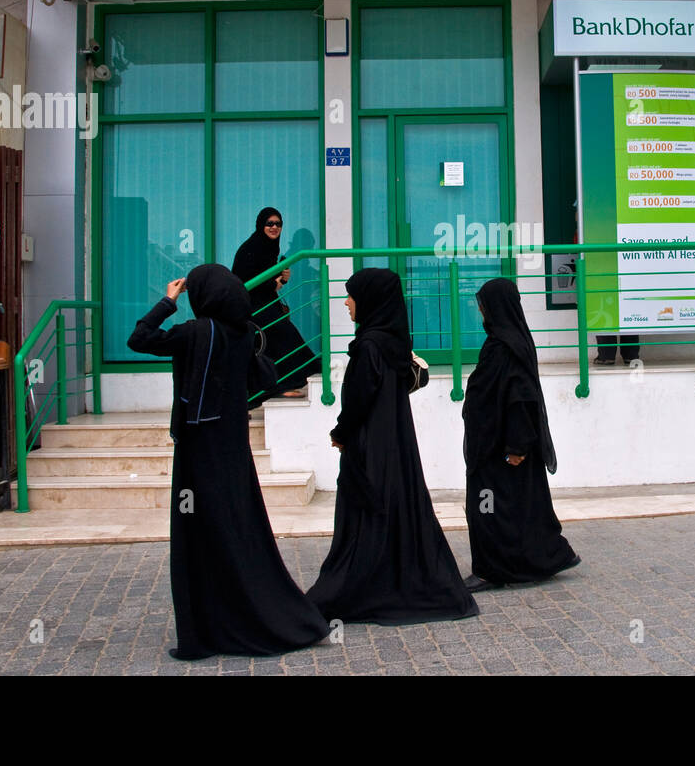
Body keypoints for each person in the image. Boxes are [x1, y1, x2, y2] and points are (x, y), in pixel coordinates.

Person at [128, 264, 329, 660]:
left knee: (199, 535)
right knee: (237, 526)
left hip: (199, 446)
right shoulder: (244, 333)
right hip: (233, 445)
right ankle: (250, 611)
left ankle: (208, 627)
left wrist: (168, 301)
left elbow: (139, 339)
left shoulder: (194, 333)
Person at [307, 268, 479, 625]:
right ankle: (394, 582)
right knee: (393, 508)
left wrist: (341, 432)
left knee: (367, 512)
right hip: (394, 445)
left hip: (370, 446)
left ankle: (362, 588)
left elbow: (358, 401)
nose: (346, 303)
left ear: (369, 300)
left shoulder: (369, 347)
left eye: (351, 296)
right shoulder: (392, 344)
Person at [461, 278, 579, 592]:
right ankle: (545, 557)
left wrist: (516, 445)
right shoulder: (509, 340)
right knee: (519, 508)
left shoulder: (504, 347)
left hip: (502, 448)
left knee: (488, 508)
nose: (481, 312)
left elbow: (520, 398)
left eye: (483, 306)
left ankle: (490, 570)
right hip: (500, 444)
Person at [231, 207, 318, 397]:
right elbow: (245, 280)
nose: (274, 227)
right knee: (284, 336)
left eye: (278, 224)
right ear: (261, 225)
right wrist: (273, 284)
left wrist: (282, 277)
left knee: (279, 340)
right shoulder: (252, 247)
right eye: (269, 223)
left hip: (265, 303)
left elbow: (267, 276)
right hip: (252, 306)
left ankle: (282, 385)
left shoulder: (270, 247)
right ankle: (285, 384)